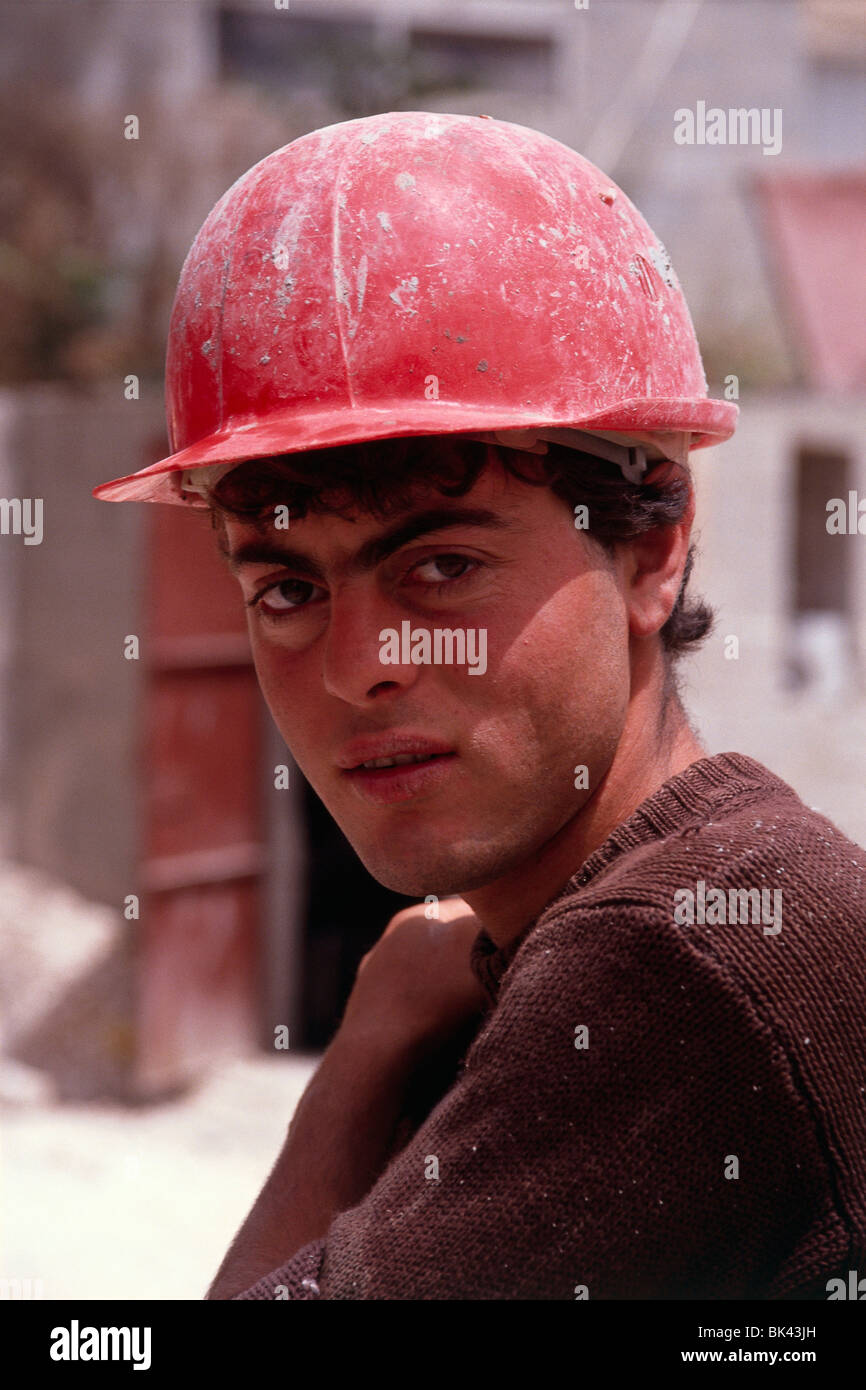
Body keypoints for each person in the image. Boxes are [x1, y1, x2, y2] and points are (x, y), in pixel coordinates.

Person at [93, 112, 866, 1300]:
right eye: (288, 586)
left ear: (651, 553)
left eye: (439, 567)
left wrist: (353, 1070)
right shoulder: (644, 917)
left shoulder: (681, 957)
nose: (359, 665)